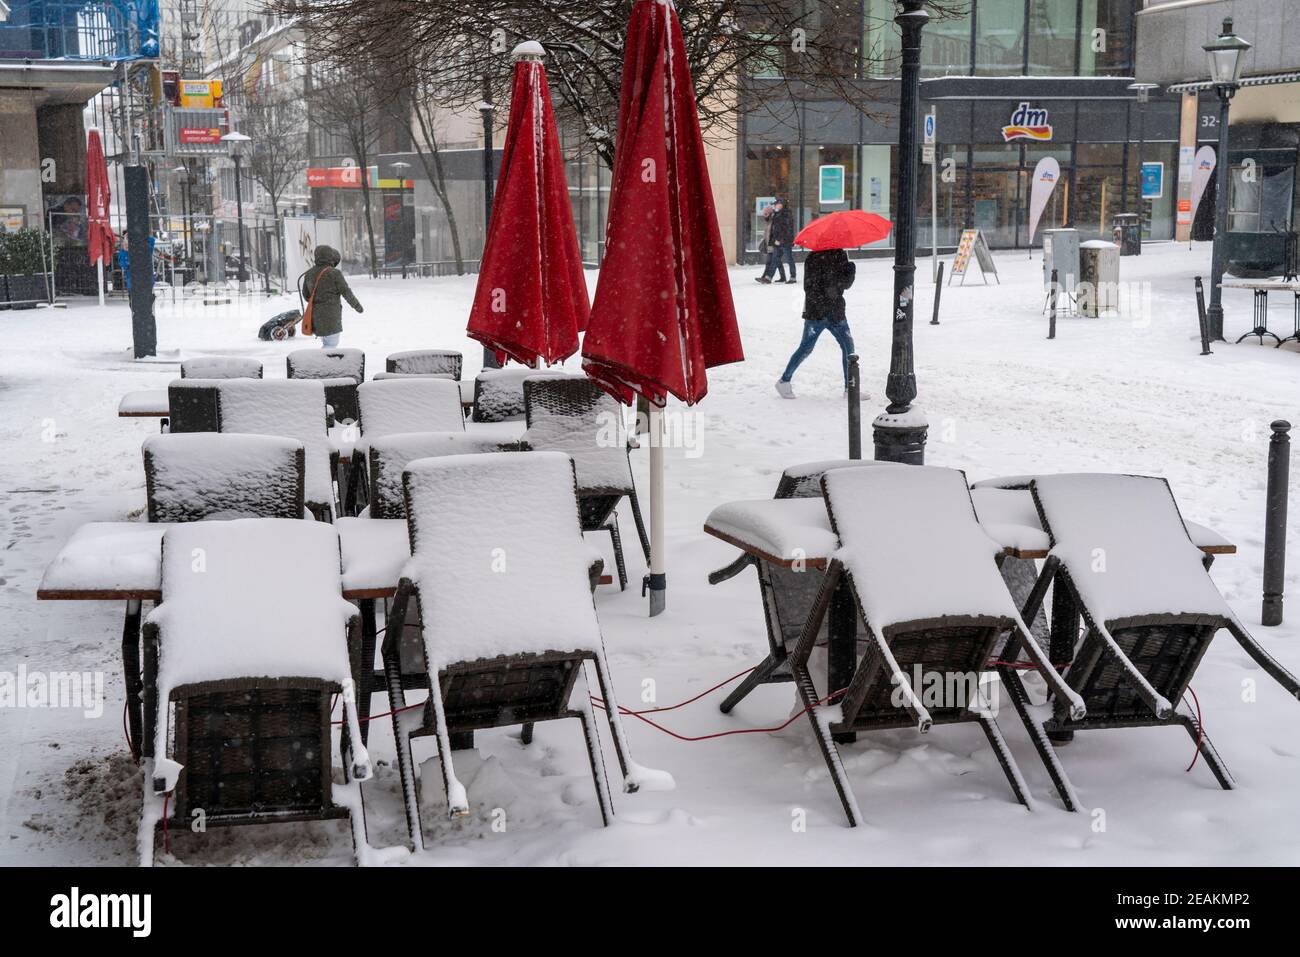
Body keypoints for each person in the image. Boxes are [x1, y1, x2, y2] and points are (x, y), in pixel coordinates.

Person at [775, 247, 856, 399]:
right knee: (806, 348)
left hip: (832, 312)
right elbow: (810, 286)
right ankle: (784, 381)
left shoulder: (838, 254)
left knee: (848, 348)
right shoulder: (815, 257)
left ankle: (850, 387)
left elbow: (845, 284)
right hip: (819, 313)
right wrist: (830, 288)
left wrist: (850, 270)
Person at [299, 244, 362, 347]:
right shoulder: (334, 273)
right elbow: (346, 292)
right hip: (331, 316)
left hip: (316, 317)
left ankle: (323, 362)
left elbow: (306, 295)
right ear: (330, 256)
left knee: (327, 343)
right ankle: (324, 363)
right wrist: (357, 306)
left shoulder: (309, 274)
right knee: (331, 346)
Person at [756, 198, 796, 284]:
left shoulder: (786, 214)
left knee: (789, 259)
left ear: (782, 204)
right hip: (777, 241)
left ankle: (793, 277)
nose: (775, 205)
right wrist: (767, 215)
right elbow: (772, 224)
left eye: (777, 204)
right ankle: (768, 278)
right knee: (775, 259)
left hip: (785, 242)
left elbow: (786, 229)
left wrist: (779, 240)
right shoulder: (777, 214)